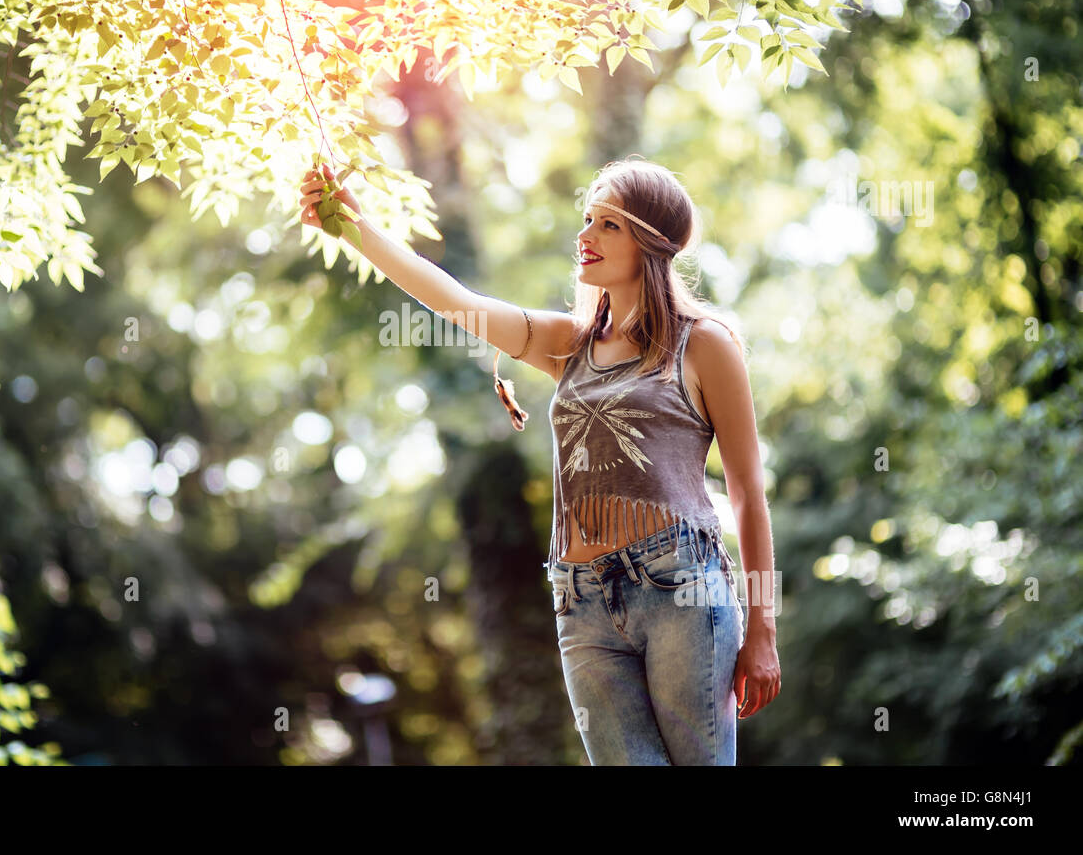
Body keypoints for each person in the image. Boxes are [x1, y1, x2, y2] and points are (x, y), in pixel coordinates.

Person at [298, 155, 780, 764]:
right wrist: (355, 227)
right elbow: (455, 303)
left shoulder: (704, 343)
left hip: (679, 586)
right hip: (579, 599)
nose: (585, 236)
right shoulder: (567, 345)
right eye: (587, 220)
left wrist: (762, 627)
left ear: (651, 241)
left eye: (609, 224)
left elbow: (746, 491)